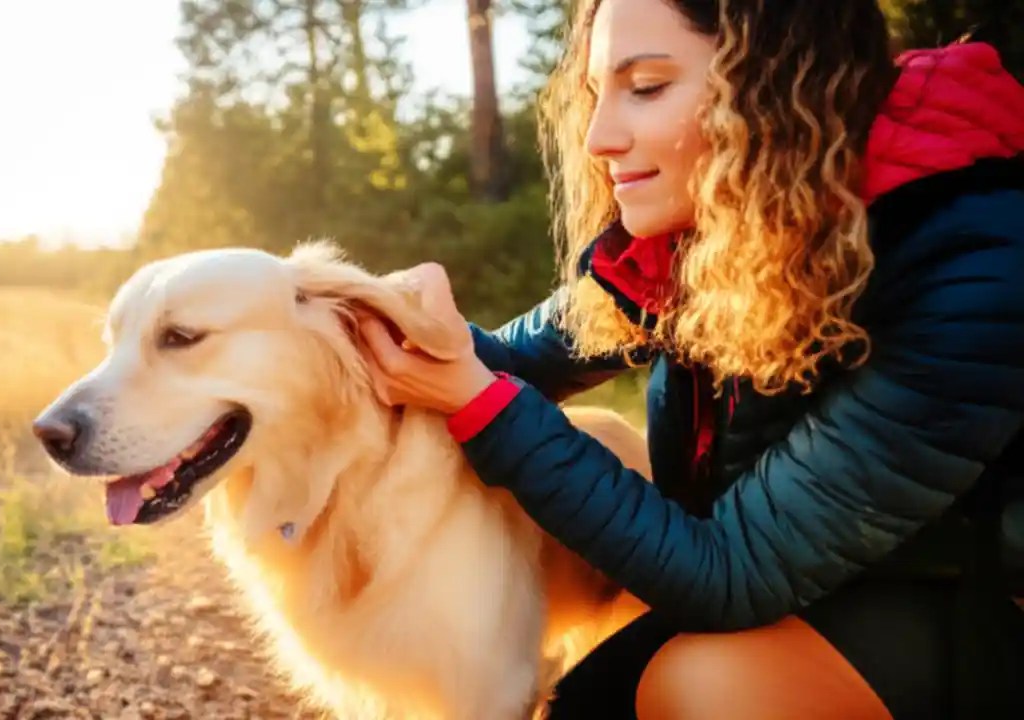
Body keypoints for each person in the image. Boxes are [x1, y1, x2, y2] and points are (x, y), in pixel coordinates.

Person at [353, 0, 1024, 718]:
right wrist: (386, 321)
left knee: (696, 692)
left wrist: (476, 400)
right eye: (595, 94)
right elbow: (512, 359)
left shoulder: (969, 261)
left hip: (970, 617)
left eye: (644, 87)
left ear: (774, 80)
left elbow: (727, 570)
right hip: (796, 582)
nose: (599, 139)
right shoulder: (718, 218)